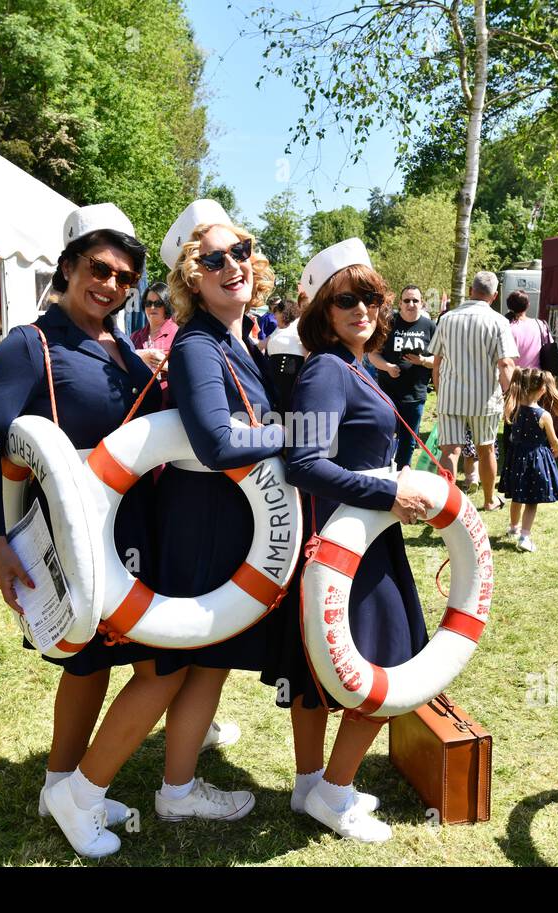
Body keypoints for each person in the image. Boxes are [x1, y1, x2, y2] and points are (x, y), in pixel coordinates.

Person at [0, 204, 215, 860]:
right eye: (99, 270)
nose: (110, 285)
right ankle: (69, 789)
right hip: (72, 525)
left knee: (96, 662)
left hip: (133, 521)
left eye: (126, 277)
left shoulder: (121, 346)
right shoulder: (32, 343)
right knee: (119, 659)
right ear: (70, 266)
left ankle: (66, 784)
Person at [267, 237, 432, 843]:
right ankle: (333, 793)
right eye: (345, 300)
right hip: (345, 542)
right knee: (385, 658)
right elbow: (303, 462)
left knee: (320, 662)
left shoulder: (356, 366)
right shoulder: (327, 369)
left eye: (370, 297)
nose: (361, 309)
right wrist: (386, 493)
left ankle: (311, 785)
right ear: (324, 313)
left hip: (358, 537)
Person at [147, 198, 289, 823]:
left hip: (231, 517)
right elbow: (218, 441)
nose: (232, 265)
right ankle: (168, 792)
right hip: (203, 518)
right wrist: (295, 433)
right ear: (190, 278)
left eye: (239, 252)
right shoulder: (199, 344)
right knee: (185, 662)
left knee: (210, 659)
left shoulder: (241, 336)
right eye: (213, 259)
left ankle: (178, 782)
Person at [430, 271, 519, 511]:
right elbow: (506, 364)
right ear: (495, 295)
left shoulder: (447, 318)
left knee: (450, 450)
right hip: (485, 398)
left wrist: (440, 392)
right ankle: (489, 500)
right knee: (486, 447)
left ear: (471, 290)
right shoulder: (499, 321)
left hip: (451, 395)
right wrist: (509, 394)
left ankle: (444, 505)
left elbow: (436, 362)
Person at [500, 367, 558, 552]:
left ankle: (513, 528)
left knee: (517, 496)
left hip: (517, 458)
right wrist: (557, 449)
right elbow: (553, 440)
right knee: (531, 501)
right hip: (535, 460)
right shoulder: (544, 415)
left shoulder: (514, 408)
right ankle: (525, 537)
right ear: (543, 389)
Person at [370, 285, 436, 470]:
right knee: (384, 435)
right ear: (400, 303)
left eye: (415, 300)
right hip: (388, 394)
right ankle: (383, 470)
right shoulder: (389, 323)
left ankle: (402, 474)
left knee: (409, 440)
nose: (411, 304)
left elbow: (440, 360)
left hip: (415, 395)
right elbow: (373, 355)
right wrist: (388, 367)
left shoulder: (429, 326)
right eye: (407, 300)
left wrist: (422, 360)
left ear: (422, 303)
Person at [131, 281, 178, 401]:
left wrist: (169, 366)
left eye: (158, 303)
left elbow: (191, 371)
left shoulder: (179, 334)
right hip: (141, 402)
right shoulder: (135, 336)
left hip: (168, 405)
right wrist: (139, 355)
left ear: (167, 305)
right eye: (148, 303)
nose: (152, 308)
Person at [266, 299, 305, 409]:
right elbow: (263, 344)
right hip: (274, 367)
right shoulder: (278, 329)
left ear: (284, 313)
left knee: (286, 402)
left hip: (290, 367)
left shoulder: (298, 325)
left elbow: (307, 348)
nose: (274, 316)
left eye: (276, 312)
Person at [504, 289, 543, 370]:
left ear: (509, 306)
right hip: (537, 377)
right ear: (528, 305)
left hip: (514, 377)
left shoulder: (506, 327)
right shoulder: (540, 325)